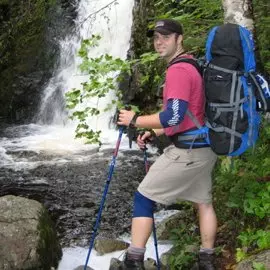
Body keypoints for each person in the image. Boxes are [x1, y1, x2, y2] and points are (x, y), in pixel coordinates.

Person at [116, 19, 217, 270]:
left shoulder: (178, 71)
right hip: (205, 148)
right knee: (203, 202)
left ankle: (134, 260)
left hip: (188, 152)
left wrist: (135, 120)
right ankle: (207, 261)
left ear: (179, 39)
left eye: (165, 37)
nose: (159, 42)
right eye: (155, 38)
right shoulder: (193, 64)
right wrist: (155, 131)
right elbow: (191, 114)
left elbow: (173, 115)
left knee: (143, 197)